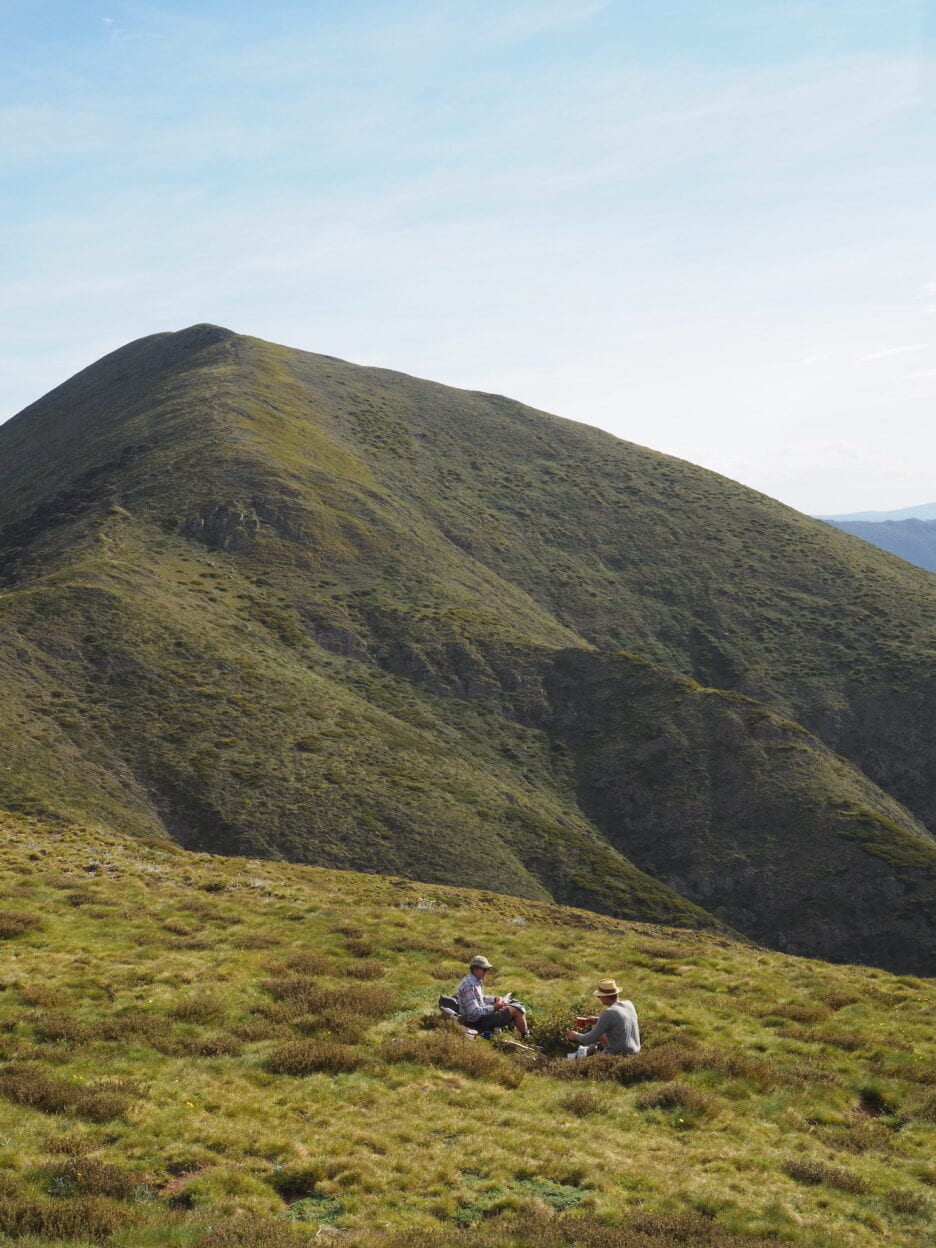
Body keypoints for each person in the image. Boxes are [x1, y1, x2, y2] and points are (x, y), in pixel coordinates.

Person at [456, 955, 529, 1037]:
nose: (486, 972)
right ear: (475, 969)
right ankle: (526, 1037)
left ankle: (517, 1032)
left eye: (488, 969)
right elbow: (474, 1013)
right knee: (517, 1009)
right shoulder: (469, 985)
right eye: (484, 969)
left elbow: (479, 998)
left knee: (513, 1003)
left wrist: (494, 999)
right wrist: (494, 1008)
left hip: (480, 1017)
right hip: (477, 1022)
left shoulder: (474, 981)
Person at [567, 977, 640, 1056]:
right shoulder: (629, 1004)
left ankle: (595, 1053)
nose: (598, 998)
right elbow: (620, 1019)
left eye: (600, 996)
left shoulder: (609, 1013)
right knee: (601, 1028)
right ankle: (597, 1050)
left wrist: (575, 1036)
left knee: (597, 1030)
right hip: (635, 1053)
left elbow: (589, 1038)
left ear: (607, 996)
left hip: (618, 1057)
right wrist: (596, 1020)